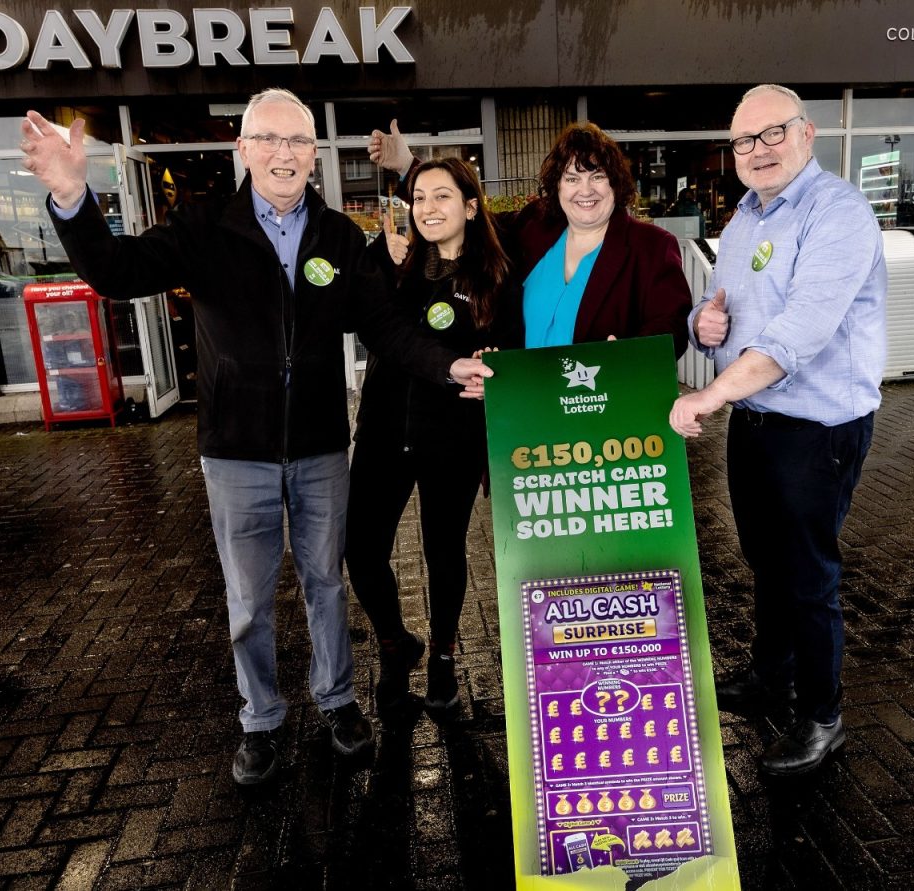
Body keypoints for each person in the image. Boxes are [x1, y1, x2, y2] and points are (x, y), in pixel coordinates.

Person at [19, 89, 491, 785]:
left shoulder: (337, 238)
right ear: (242, 149)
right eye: (269, 139)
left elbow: (386, 329)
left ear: (313, 156)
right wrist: (71, 197)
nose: (284, 153)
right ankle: (261, 718)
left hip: (321, 448)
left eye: (298, 142)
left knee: (326, 582)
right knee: (248, 599)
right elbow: (118, 272)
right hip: (236, 450)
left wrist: (447, 364)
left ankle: (337, 700)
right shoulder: (206, 225)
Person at [669, 84, 886, 776]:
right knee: (764, 556)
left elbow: (798, 335)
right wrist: (707, 325)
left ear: (808, 133)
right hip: (757, 420)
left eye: (773, 134)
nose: (758, 150)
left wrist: (707, 395)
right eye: (743, 141)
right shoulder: (744, 220)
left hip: (817, 428)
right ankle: (771, 677)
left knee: (808, 575)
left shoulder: (839, 215)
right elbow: (731, 311)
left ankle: (823, 717)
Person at [344, 158, 522, 718]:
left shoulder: (496, 275)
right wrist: (377, 252)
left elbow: (512, 348)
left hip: (454, 438)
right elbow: (368, 325)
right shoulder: (393, 263)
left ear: (471, 207)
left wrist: (500, 365)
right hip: (383, 433)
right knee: (361, 550)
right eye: (419, 198)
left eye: (442, 197)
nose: (428, 209)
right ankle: (396, 644)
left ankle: (443, 655)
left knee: (445, 550)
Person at [368, 121, 692, 352]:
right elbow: (469, 216)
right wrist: (408, 168)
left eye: (598, 176)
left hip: (603, 411)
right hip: (532, 412)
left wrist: (632, 352)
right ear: (557, 185)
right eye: (572, 178)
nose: (585, 191)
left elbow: (673, 324)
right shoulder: (535, 227)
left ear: (615, 183)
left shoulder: (650, 246)